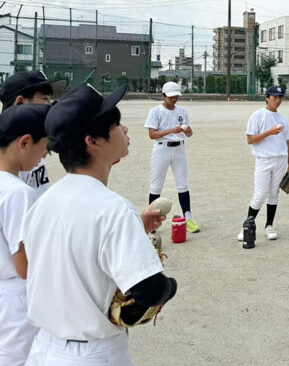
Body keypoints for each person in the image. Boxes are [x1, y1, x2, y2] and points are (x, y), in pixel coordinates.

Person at [21, 83, 176, 365]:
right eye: (115, 124)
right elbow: (150, 290)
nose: (125, 129)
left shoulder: (43, 202)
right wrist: (170, 287)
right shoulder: (114, 210)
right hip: (92, 355)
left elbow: (69, 252)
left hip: (42, 350)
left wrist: (134, 229)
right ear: (93, 141)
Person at [0, 104, 50, 366]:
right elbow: (24, 266)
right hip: (17, 299)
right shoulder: (18, 192)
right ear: (25, 142)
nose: (44, 157)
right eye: (44, 149)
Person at [238, 85, 289, 241]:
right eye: (275, 97)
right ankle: (247, 225)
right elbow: (250, 139)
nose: (278, 100)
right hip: (263, 159)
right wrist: (270, 132)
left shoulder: (283, 118)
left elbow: (287, 142)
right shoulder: (257, 115)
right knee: (260, 194)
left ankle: (269, 225)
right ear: (267, 98)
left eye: (280, 97)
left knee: (274, 193)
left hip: (280, 159)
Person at [144, 81, 198, 233]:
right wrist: (171, 130)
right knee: (156, 186)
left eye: (176, 97)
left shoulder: (182, 111)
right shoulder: (156, 111)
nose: (174, 99)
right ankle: (151, 221)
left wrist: (187, 131)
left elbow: (190, 133)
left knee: (183, 184)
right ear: (163, 95)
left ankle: (188, 218)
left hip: (179, 149)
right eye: (171, 97)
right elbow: (152, 134)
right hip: (162, 149)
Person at [0, 71, 66, 195]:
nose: (50, 105)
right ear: (20, 102)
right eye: (45, 99)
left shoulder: (34, 143)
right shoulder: (11, 154)